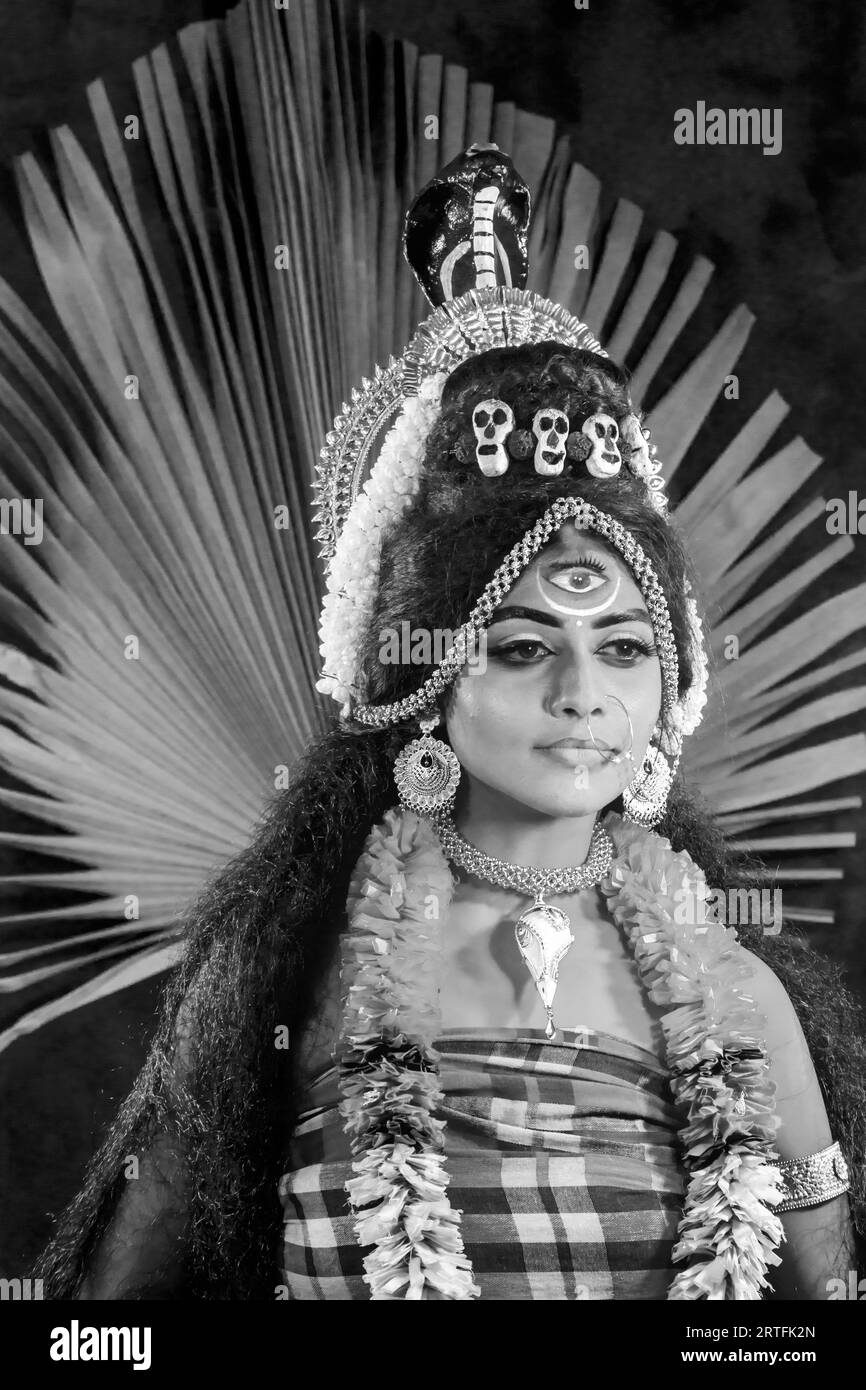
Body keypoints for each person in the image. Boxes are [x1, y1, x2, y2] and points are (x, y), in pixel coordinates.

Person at [33, 145, 864, 1301]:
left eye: (624, 649)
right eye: (522, 648)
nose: (584, 696)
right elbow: (102, 1334)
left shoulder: (736, 994)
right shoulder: (286, 977)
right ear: (421, 678)